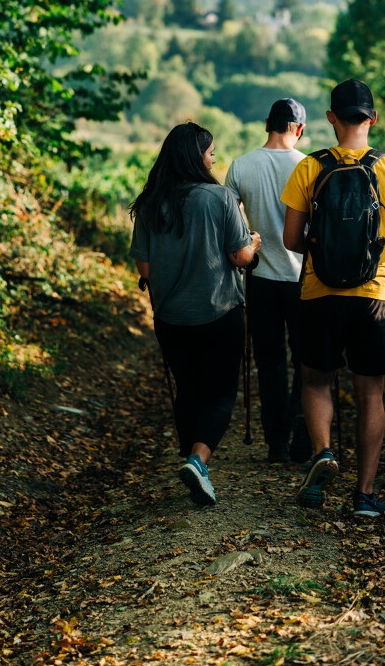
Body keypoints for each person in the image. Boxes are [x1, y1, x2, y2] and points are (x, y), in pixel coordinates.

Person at [281, 79, 385, 517]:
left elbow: (290, 238)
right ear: (373, 118)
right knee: (371, 394)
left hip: (319, 292)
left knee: (316, 380)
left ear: (330, 118)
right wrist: (380, 247)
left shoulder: (310, 167)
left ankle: (324, 451)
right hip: (375, 295)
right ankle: (364, 495)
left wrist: (325, 249)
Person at [129, 122, 261, 507]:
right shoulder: (219, 198)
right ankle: (198, 461)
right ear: (195, 157)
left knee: (188, 389)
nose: (214, 157)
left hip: (171, 316)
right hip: (219, 311)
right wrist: (253, 243)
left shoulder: (151, 201)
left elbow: (146, 270)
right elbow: (240, 257)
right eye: (210, 151)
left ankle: (193, 461)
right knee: (221, 392)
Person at [225, 97, 312, 464]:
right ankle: (303, 432)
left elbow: (228, 225)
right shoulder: (310, 165)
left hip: (259, 276)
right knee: (308, 361)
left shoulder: (241, 166)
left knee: (270, 360)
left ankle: (276, 442)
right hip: (306, 279)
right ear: (300, 129)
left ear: (266, 124)